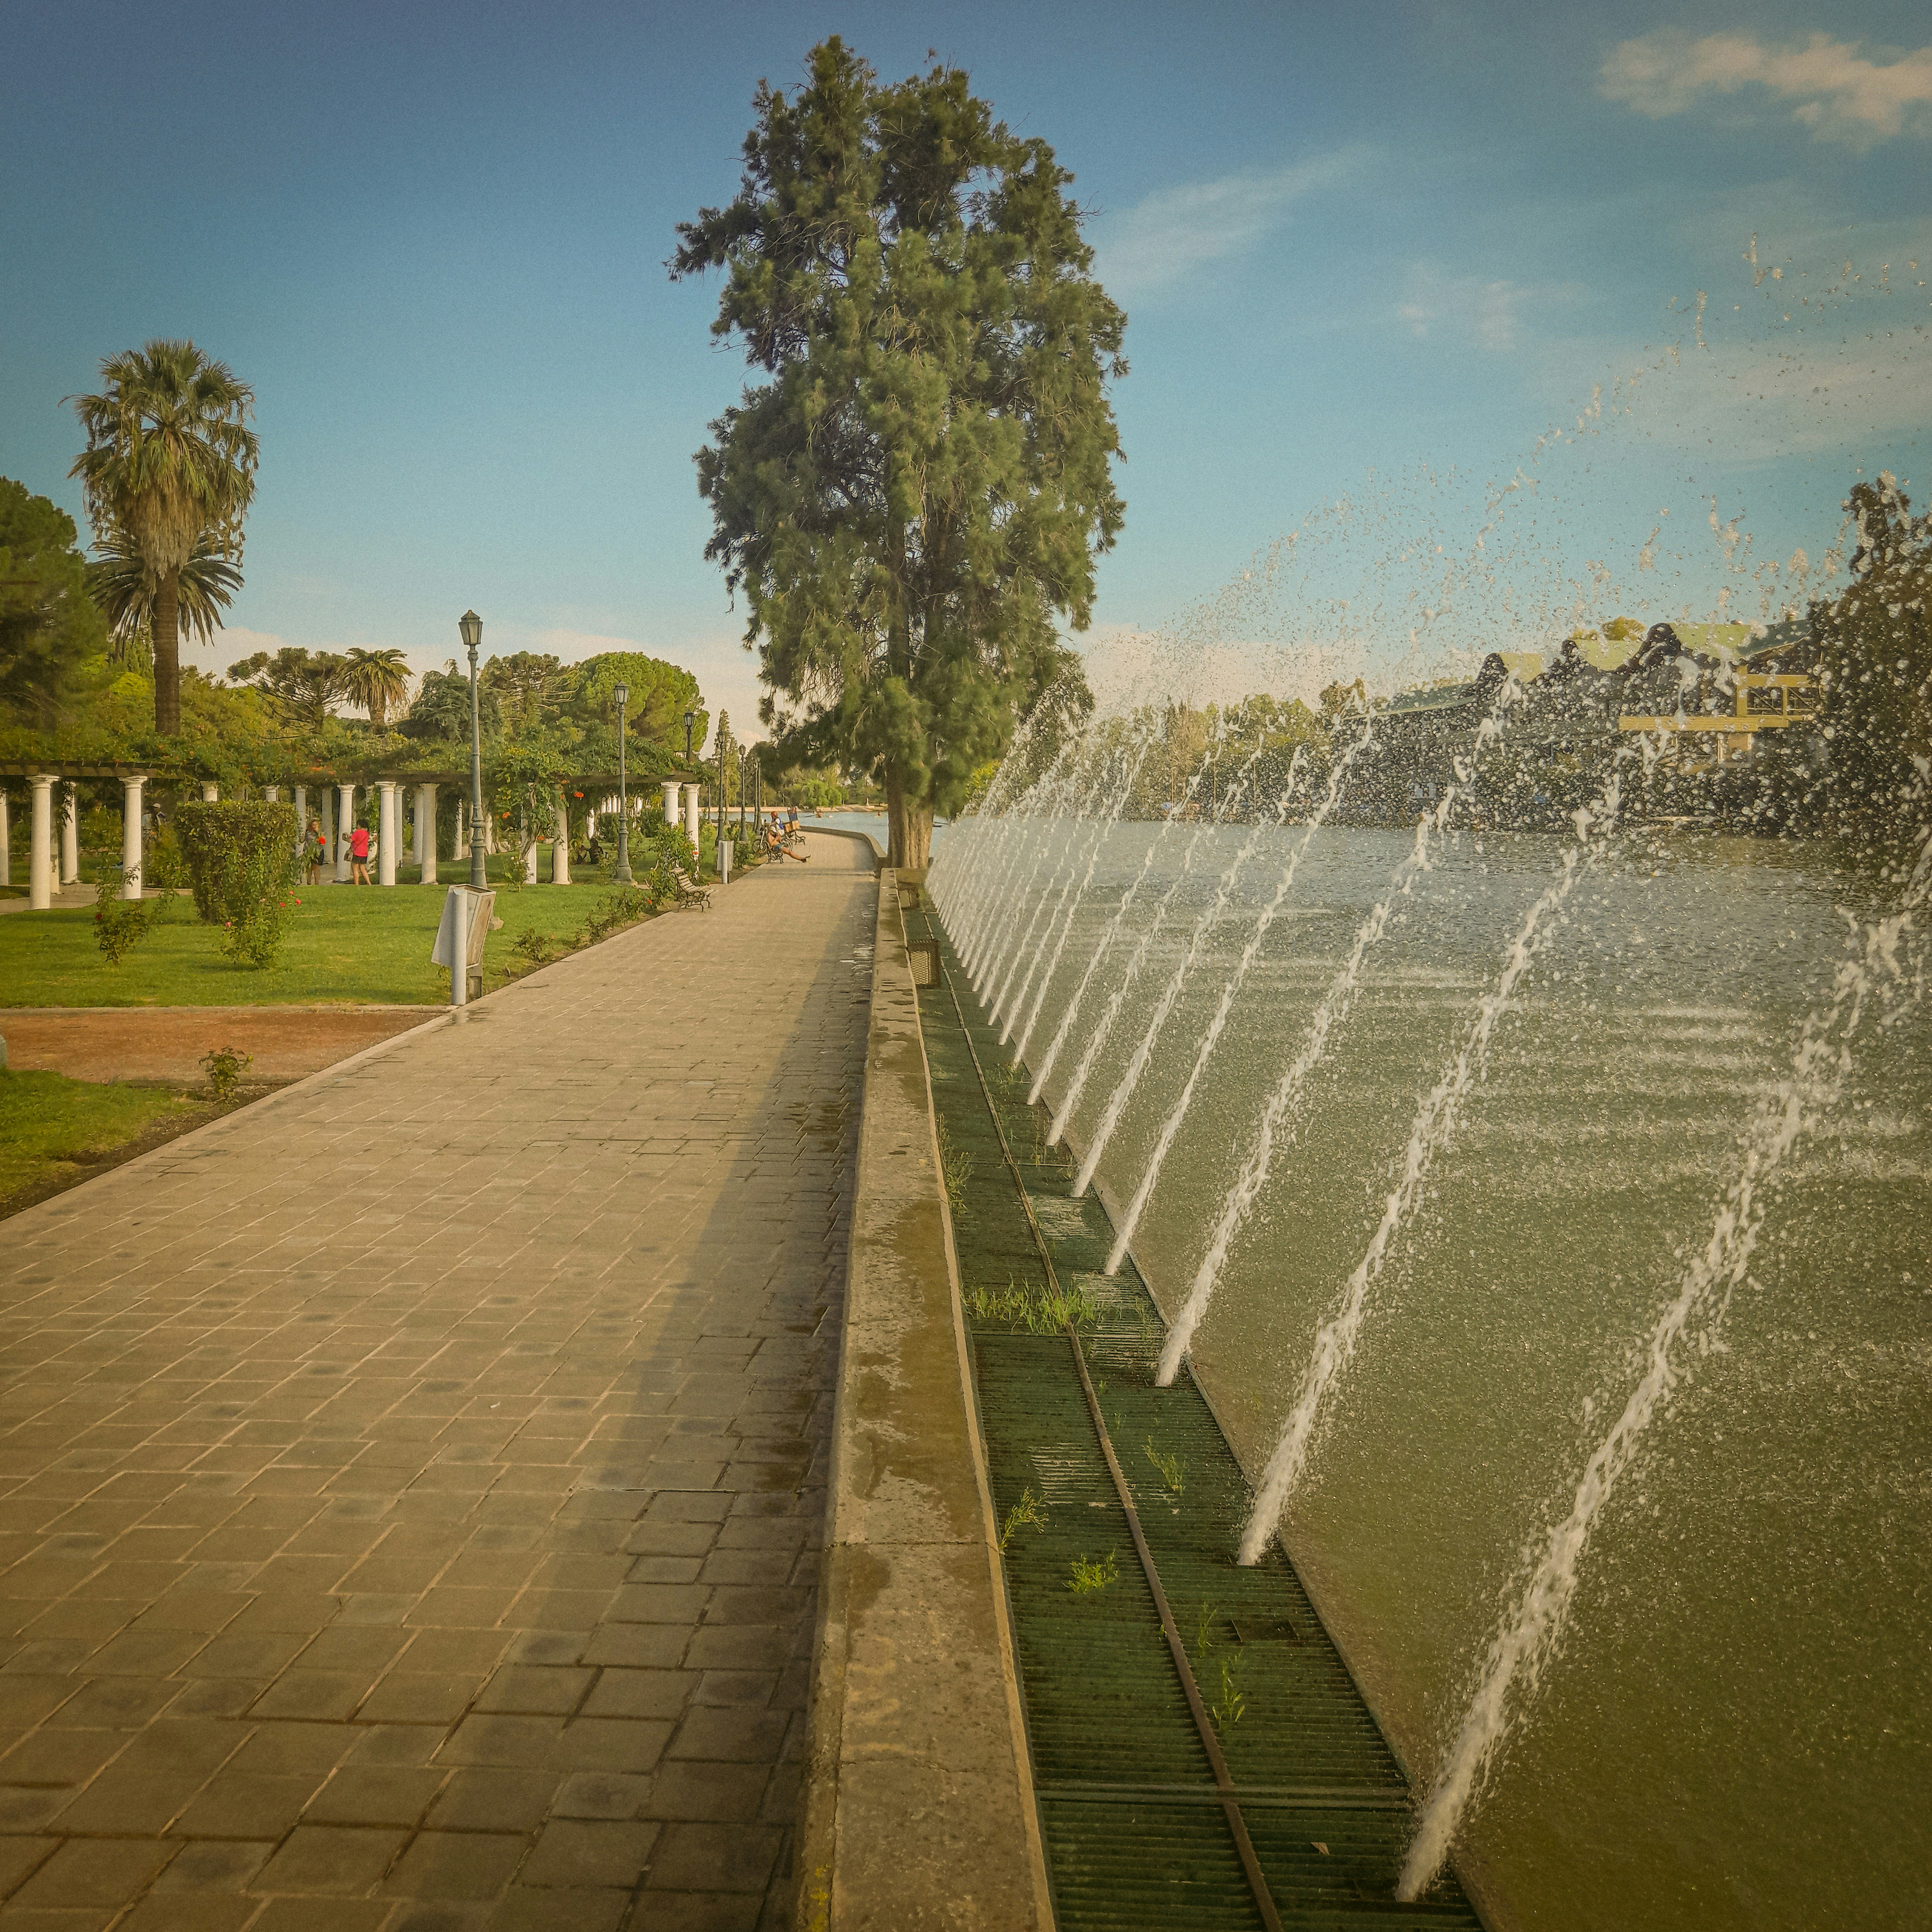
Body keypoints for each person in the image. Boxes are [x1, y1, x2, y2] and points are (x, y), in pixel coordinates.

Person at [350, 820, 371, 886]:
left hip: (357, 852)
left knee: (355, 868)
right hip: (364, 853)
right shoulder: (367, 834)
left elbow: (351, 840)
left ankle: (357, 884)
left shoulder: (357, 832)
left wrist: (347, 838)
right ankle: (369, 883)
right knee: (363, 868)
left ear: (359, 825)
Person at [305, 819, 324, 886]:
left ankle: (317, 883)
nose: (315, 826)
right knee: (309, 867)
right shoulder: (308, 833)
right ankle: (309, 882)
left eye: (316, 825)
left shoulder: (320, 833)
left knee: (316, 867)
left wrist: (318, 833)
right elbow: (308, 841)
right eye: (314, 825)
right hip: (310, 851)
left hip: (318, 851)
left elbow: (322, 842)